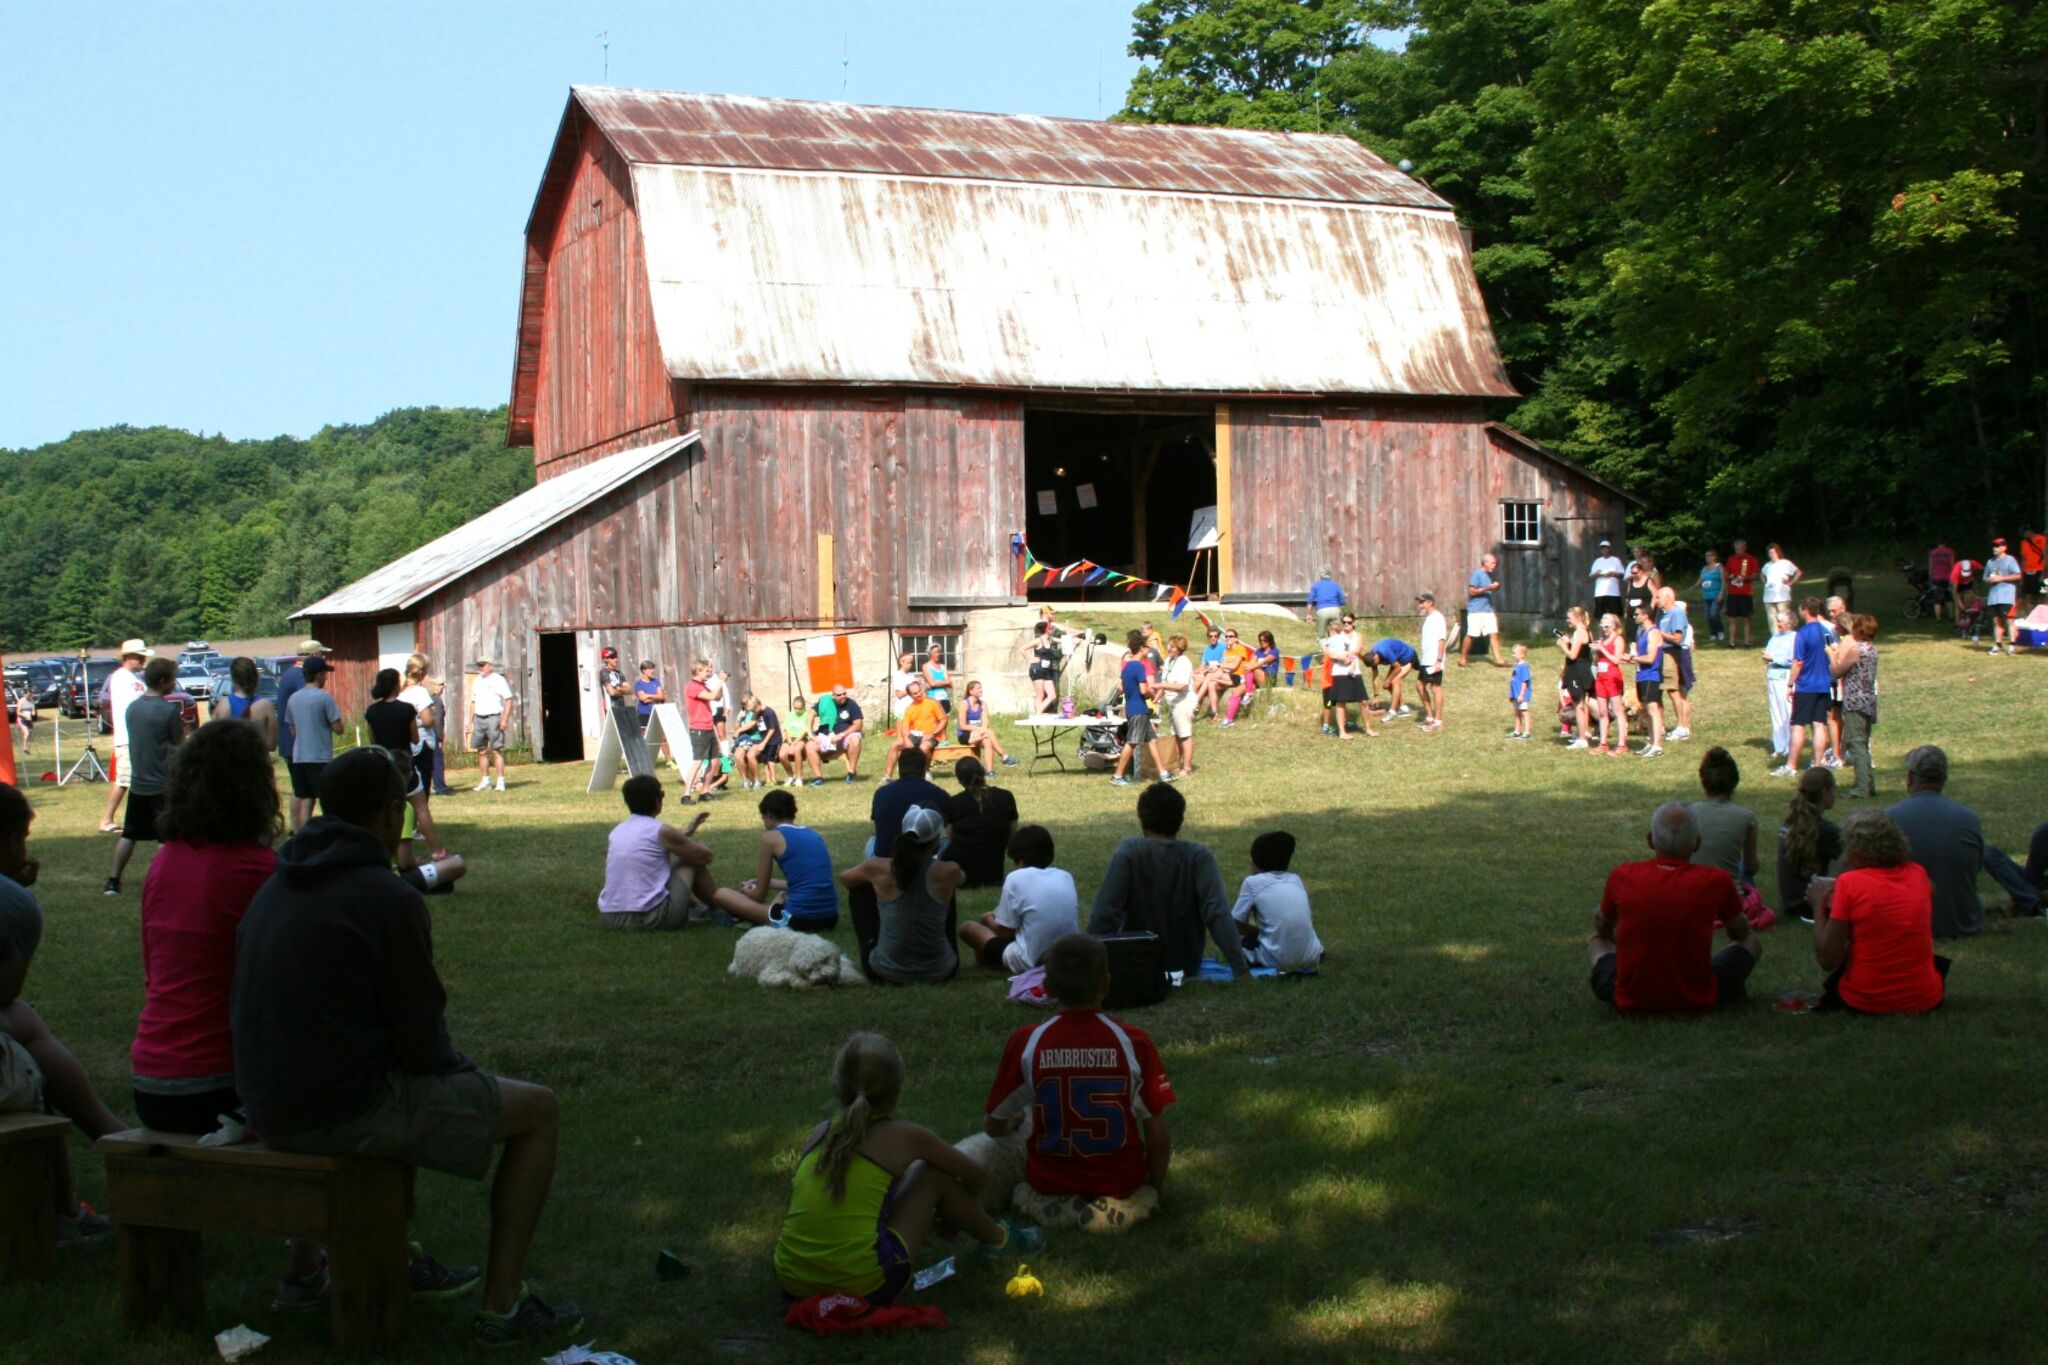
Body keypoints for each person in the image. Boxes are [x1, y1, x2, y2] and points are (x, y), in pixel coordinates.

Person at [231, 749, 581, 1343]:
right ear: (393, 812)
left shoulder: (281, 882)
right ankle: (503, 1306)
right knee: (538, 1110)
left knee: (402, 1087)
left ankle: (390, 1258)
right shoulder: (385, 896)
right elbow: (422, 1042)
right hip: (335, 1110)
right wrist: (463, 1076)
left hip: (266, 1102)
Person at [775, 1033, 1037, 1303]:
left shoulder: (819, 1134)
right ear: (896, 1094)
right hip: (867, 1284)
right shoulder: (905, 1136)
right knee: (932, 1174)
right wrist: (955, 1214)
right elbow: (976, 1175)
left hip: (792, 1280)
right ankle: (1000, 1240)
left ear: (835, 1087)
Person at [986, 933, 1174, 1231]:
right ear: (1106, 984)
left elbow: (994, 1124)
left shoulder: (1027, 1041)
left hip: (1048, 1182)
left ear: (1046, 988)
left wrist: (1014, 1122)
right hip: (1120, 1181)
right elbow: (1158, 1137)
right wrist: (1157, 1183)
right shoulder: (1134, 1043)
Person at [1, 783, 123, 1244]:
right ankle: (69, 1204)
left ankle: (105, 1136)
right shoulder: (13, 904)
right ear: (12, 841)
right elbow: (6, 991)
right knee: (28, 1057)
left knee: (27, 1029)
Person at [1587, 803, 1760, 1014]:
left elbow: (1602, 924)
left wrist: (1614, 939)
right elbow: (1740, 930)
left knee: (1597, 941)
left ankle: (1630, 975)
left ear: (1650, 840)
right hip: (1698, 997)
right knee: (1751, 941)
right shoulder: (1716, 880)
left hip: (1630, 998)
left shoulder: (1623, 875)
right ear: (1696, 843)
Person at [1087, 782, 1250, 978]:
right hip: (1186, 965)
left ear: (1142, 820)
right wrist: (1240, 970)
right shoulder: (1199, 857)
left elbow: (1105, 914)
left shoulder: (1130, 852)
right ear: (1180, 819)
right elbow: (1218, 915)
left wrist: (1088, 967)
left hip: (1138, 964)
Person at [1809, 810, 1948, 1014]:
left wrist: (1817, 904)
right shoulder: (1918, 874)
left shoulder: (1850, 883)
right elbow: (1930, 889)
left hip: (1866, 1000)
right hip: (1926, 999)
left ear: (1853, 851)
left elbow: (1827, 960)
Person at [843, 806, 962, 984]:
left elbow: (845, 878)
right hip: (941, 971)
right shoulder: (947, 871)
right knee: (946, 889)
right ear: (936, 840)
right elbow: (961, 879)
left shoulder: (878, 868)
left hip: (884, 972)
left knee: (860, 889)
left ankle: (871, 942)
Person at [105, 657, 185, 896]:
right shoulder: (169, 710)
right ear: (163, 681)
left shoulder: (133, 708)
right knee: (165, 838)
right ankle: (161, 884)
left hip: (139, 783)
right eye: (172, 678)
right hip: (162, 784)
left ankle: (113, 880)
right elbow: (179, 744)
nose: (174, 682)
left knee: (130, 834)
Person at [706, 788, 841, 929]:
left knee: (721, 894)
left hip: (798, 919)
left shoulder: (770, 838)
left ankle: (758, 918)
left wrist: (747, 890)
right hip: (830, 917)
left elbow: (759, 896)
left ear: (769, 815)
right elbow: (806, 882)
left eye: (763, 818)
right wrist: (767, 883)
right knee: (784, 894)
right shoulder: (813, 834)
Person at [1886, 746, 1984, 938]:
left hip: (1908, 924)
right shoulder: (1970, 819)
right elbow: (1976, 869)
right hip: (1962, 923)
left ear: (1910, 777)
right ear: (1943, 779)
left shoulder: (1889, 819)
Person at [597, 775, 713, 931]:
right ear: (657, 801)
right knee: (691, 858)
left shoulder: (617, 832)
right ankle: (716, 907)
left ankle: (698, 905)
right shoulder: (660, 830)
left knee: (653, 868)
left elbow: (649, 844)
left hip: (610, 919)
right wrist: (701, 846)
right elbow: (703, 857)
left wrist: (686, 832)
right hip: (651, 918)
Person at [959, 825, 1077, 973]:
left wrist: (987, 919)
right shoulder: (1065, 876)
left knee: (968, 928)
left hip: (1030, 961)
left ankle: (987, 965)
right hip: (1066, 957)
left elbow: (1004, 932)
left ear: (1020, 861)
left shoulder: (1016, 878)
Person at [366, 668, 448, 861]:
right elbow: (414, 737)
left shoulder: (371, 711)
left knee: (384, 811)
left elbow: (373, 741)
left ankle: (387, 855)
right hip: (404, 765)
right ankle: (437, 851)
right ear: (396, 685)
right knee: (420, 808)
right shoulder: (406, 709)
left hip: (383, 766)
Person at [1230, 831, 1323, 972]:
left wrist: (1256, 932)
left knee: (1240, 944)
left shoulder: (1252, 883)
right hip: (1312, 956)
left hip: (1275, 960)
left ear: (1255, 862)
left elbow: (1235, 923)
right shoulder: (1295, 879)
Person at [98, 639, 152, 834]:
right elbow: (134, 707)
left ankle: (141, 817)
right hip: (128, 738)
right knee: (124, 780)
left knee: (138, 780)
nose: (143, 659)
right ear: (129, 657)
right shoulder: (120, 678)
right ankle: (107, 819)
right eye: (139, 656)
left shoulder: (137, 678)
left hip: (140, 738)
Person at [284, 655, 343, 832]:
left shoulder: (293, 698)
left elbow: (292, 730)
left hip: (300, 755)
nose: (326, 677)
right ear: (318, 675)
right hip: (320, 757)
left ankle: (303, 833)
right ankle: (330, 831)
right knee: (326, 798)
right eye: (325, 674)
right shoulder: (325, 698)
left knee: (306, 798)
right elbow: (338, 728)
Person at [1778, 767, 1845, 924]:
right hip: (1812, 905)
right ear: (1825, 793)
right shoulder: (1824, 829)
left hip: (1790, 902)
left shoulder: (1790, 823)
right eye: (1833, 789)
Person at [944, 756, 1018, 889]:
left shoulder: (953, 803)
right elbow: (1013, 835)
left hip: (964, 874)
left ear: (959, 780)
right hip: (994, 870)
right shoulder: (1005, 796)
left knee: (941, 843)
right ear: (982, 771)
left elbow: (951, 836)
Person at [1776, 598, 1831, 778]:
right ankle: (1817, 763)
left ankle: (1791, 766)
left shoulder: (1803, 633)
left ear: (1806, 610)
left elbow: (1798, 662)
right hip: (1823, 684)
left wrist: (1791, 683)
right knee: (1819, 724)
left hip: (1806, 685)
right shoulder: (1825, 631)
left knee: (1797, 725)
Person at [1687, 747, 1759, 885]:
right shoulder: (1746, 818)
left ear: (1703, 780)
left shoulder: (1688, 813)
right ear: (1734, 780)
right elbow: (1752, 866)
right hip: (1728, 890)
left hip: (1692, 886)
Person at [1110, 630, 1172, 787]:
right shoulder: (1138, 667)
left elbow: (1124, 688)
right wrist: (1152, 694)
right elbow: (1144, 690)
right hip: (1138, 709)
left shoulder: (1127, 667)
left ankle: (1163, 773)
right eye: (1147, 647)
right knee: (1132, 742)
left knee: (1152, 740)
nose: (1149, 650)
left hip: (1134, 708)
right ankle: (1117, 776)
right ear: (1142, 648)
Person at [870, 747, 949, 859]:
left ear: (899, 768)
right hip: (925, 857)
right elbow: (951, 831)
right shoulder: (939, 794)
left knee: (872, 841)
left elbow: (879, 827)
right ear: (924, 768)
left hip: (886, 857)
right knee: (947, 842)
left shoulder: (881, 793)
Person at [1837, 614, 1880, 798]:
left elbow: (1836, 672)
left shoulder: (1856, 650)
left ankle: (1861, 788)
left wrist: (1831, 656)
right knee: (1862, 743)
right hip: (1869, 700)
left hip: (1855, 701)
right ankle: (1868, 784)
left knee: (1856, 745)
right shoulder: (1872, 650)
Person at [466, 656, 516, 793]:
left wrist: (504, 719)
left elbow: (509, 700)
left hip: (493, 717)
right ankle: (485, 781)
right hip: (479, 718)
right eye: (478, 665)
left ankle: (500, 781)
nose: (480, 668)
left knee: (496, 750)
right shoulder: (476, 681)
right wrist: (469, 721)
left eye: (482, 665)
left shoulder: (498, 680)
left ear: (490, 665)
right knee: (481, 751)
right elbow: (473, 702)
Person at [273, 638, 325, 769]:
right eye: (322, 655)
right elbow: (307, 705)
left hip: (289, 741)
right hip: (299, 744)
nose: (324, 658)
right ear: (314, 655)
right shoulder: (301, 676)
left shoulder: (289, 673)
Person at [211, 656, 278, 750]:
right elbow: (272, 745)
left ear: (233, 679)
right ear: (256, 677)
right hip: (257, 761)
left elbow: (214, 742)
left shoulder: (223, 705)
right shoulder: (266, 706)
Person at [1328, 617, 1380, 738]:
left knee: (1363, 701)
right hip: (1339, 671)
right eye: (1344, 622)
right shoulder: (1336, 637)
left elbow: (1357, 650)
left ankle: (1368, 728)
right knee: (1341, 702)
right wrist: (1340, 657)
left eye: (1349, 622)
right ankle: (1342, 732)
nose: (1346, 624)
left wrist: (1346, 656)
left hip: (1354, 671)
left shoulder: (1357, 636)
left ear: (1353, 623)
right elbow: (1328, 651)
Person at [1655, 586, 1695, 741]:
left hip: (1673, 653)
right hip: (1665, 653)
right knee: (1675, 690)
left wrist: (1658, 633)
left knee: (1673, 690)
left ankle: (1682, 726)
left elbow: (1677, 637)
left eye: (1658, 597)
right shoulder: (1664, 615)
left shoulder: (1676, 613)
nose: (1656, 600)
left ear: (1667, 597)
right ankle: (1683, 726)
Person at [884, 677, 945, 779]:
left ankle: (926, 771)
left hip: (933, 733)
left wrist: (933, 733)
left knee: (923, 748)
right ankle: (888, 777)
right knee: (894, 745)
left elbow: (943, 720)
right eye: (915, 693)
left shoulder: (932, 702)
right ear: (910, 695)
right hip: (916, 735)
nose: (919, 694)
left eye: (919, 691)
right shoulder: (909, 709)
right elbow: (905, 727)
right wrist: (906, 739)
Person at [678, 659, 721, 800]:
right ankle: (686, 794)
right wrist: (720, 681)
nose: (708, 673)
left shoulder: (704, 685)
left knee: (715, 761)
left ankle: (705, 791)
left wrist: (720, 684)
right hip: (699, 729)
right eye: (705, 670)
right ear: (697, 671)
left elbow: (717, 697)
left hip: (709, 727)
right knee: (698, 761)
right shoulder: (693, 687)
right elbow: (711, 696)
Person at [1157, 634, 1198, 777]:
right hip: (1173, 703)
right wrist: (1157, 697)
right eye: (1169, 645)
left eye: (1173, 646)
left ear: (1179, 648)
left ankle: (1187, 768)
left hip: (1183, 702)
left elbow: (1181, 685)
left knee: (1185, 735)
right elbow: (1165, 682)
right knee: (1176, 735)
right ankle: (1175, 764)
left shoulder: (1184, 662)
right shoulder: (1168, 661)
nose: (1169, 648)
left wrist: (1161, 685)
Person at [1628, 604, 1666, 758]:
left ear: (1646, 615)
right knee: (1646, 710)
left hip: (1651, 675)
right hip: (1642, 675)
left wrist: (1631, 658)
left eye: (1637, 614)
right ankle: (1651, 742)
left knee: (1652, 709)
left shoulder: (1653, 633)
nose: (1634, 616)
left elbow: (1650, 658)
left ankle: (1657, 745)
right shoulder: (1642, 632)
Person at [954, 680, 1016, 771]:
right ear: (971, 691)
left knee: (987, 741)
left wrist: (982, 729)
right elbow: (963, 726)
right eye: (978, 688)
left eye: (981, 688)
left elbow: (985, 723)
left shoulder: (983, 704)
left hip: (980, 733)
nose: (981, 690)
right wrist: (979, 729)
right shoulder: (965, 704)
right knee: (989, 732)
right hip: (965, 735)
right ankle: (1004, 756)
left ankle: (990, 771)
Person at [1591, 613, 1629, 754]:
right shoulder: (1601, 640)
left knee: (1618, 711)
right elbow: (1597, 661)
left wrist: (1603, 649)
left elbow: (1616, 660)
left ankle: (1621, 744)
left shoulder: (1618, 640)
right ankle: (1603, 743)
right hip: (1601, 678)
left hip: (1613, 678)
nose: (1604, 629)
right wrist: (1595, 651)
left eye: (1607, 626)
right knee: (1602, 712)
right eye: (1602, 626)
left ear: (1614, 626)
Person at [1558, 606, 1595, 748]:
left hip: (1577, 671)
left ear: (1578, 618)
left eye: (1569, 618)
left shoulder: (1580, 633)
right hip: (1584, 669)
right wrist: (1568, 642)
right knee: (1582, 704)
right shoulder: (1587, 631)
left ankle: (1582, 738)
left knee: (1578, 705)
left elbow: (1573, 655)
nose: (1567, 620)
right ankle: (1583, 733)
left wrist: (1562, 645)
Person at [1762, 608, 1796, 759]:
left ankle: (1790, 745)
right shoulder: (1775, 637)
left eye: (1781, 621)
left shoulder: (1795, 638)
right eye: (1777, 621)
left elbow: (1792, 660)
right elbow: (1768, 652)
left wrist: (1774, 659)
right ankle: (1779, 746)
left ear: (1789, 623)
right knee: (1775, 712)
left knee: (1787, 712)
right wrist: (1766, 657)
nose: (1778, 623)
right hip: (1772, 677)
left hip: (1785, 678)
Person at [814, 684, 865, 784]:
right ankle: (818, 778)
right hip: (826, 735)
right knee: (810, 746)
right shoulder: (826, 702)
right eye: (839, 695)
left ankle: (851, 773)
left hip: (846, 735)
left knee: (855, 739)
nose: (843, 696)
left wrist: (842, 735)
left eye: (844, 693)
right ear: (833, 695)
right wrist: (810, 733)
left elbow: (858, 725)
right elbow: (811, 713)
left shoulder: (851, 704)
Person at [1460, 553, 1505, 667]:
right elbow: (1472, 591)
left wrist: (1495, 587)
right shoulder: (1477, 574)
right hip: (1476, 610)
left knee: (1494, 633)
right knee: (1472, 635)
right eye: (1492, 563)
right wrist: (1488, 588)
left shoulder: (1489, 575)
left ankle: (1498, 659)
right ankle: (1462, 659)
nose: (1494, 565)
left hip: (1488, 610)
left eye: (1495, 563)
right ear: (1485, 563)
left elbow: (1487, 589)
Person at [1413, 592, 1448, 732]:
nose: (1419, 605)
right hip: (1426, 659)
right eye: (1419, 602)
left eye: (1422, 602)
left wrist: (1439, 660)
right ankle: (1429, 717)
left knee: (1435, 688)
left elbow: (1442, 640)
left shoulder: (1438, 618)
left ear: (1430, 602)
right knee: (1420, 685)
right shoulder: (1429, 618)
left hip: (1434, 660)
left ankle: (1438, 721)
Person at [1983, 535, 2022, 654]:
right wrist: (1990, 580)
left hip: (2007, 595)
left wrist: (2001, 578)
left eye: (1998, 546)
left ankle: (2012, 645)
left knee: (2009, 620)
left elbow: (2018, 575)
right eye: (1994, 546)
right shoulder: (1990, 562)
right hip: (1994, 596)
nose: (1995, 548)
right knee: (1996, 621)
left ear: (2004, 547)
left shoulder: (2010, 559)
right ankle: (1997, 644)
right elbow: (1985, 577)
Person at [737, 694, 782, 790]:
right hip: (765, 740)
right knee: (765, 760)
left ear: (757, 704)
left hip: (773, 740)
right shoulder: (758, 712)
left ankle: (774, 779)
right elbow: (754, 722)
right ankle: (768, 780)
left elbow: (772, 729)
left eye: (753, 710)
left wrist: (763, 743)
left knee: (770, 760)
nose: (753, 712)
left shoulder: (769, 712)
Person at [1722, 540, 1759, 646]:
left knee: (1746, 618)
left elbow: (1755, 575)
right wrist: (1730, 576)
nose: (1738, 551)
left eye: (1740, 549)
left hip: (1746, 592)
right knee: (1732, 618)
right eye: (1736, 549)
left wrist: (1744, 578)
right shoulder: (1731, 559)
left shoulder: (1751, 559)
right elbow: (1726, 573)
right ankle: (1731, 642)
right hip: (1733, 592)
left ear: (1744, 548)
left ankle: (1747, 641)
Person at [780, 698, 821, 787]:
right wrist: (790, 742)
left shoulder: (807, 716)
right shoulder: (789, 715)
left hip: (802, 738)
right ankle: (790, 776)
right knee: (782, 755)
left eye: (800, 708)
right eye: (795, 708)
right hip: (790, 738)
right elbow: (786, 728)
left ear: (803, 707)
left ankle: (799, 777)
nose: (797, 710)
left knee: (797, 750)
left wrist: (794, 744)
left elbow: (805, 731)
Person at [1759, 542, 1801, 626]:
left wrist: (1790, 583)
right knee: (1772, 619)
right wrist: (1765, 583)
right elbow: (1761, 574)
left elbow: (1798, 573)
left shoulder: (1785, 563)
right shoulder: (1767, 565)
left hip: (1782, 596)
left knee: (1784, 618)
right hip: (1768, 597)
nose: (1771, 555)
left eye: (1773, 552)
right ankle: (1775, 636)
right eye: (1769, 553)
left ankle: (1786, 636)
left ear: (1777, 552)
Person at [1025, 622, 1061, 715]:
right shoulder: (1038, 641)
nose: (1052, 629)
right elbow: (1022, 649)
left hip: (1046, 670)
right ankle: (1038, 717)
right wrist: (1030, 659)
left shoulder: (1050, 640)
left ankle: (1038, 714)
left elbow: (1061, 640)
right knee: (1040, 695)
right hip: (1037, 669)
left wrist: (1077, 639)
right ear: (1045, 629)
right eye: (1050, 627)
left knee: (1052, 695)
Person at [1589, 539, 1626, 627]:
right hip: (1600, 592)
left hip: (1613, 592)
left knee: (1615, 614)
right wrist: (1597, 574)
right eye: (1602, 548)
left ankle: (1618, 630)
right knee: (1600, 615)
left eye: (1606, 548)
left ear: (1609, 549)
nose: (1604, 550)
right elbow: (1591, 576)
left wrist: (1612, 573)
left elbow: (1622, 574)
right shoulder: (1597, 561)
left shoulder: (1616, 560)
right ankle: (1601, 632)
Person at [1307, 567, 1347, 636]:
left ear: (1321, 575)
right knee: (1336, 634)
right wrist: (1342, 614)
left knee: (1321, 635)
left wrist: (1309, 614)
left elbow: (1310, 601)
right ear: (1330, 574)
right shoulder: (1336, 585)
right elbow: (1342, 602)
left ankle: (1324, 644)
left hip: (1322, 611)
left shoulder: (1316, 585)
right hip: (1335, 610)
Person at [632, 660, 666, 738]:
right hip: (644, 713)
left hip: (657, 712)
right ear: (644, 670)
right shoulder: (639, 684)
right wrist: (656, 697)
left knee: (662, 736)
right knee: (645, 736)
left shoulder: (656, 682)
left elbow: (662, 697)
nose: (652, 671)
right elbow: (643, 699)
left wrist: (648, 695)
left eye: (653, 668)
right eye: (650, 669)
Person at [1506, 643, 1532, 739]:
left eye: (1514, 653)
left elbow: (1525, 681)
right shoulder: (1516, 666)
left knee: (1524, 712)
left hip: (1522, 695)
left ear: (1522, 655)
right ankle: (1517, 731)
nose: (1513, 655)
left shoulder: (1524, 666)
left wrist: (1521, 694)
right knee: (1517, 713)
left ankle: (1527, 732)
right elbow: (1513, 681)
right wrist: (1511, 694)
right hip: (1515, 694)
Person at [1698, 548, 1725, 644]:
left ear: (1714, 556)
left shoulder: (1719, 567)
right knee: (1708, 616)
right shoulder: (1704, 569)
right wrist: (1691, 588)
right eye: (1706, 556)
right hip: (1706, 596)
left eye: (1710, 555)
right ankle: (1712, 633)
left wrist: (1721, 593)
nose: (1708, 558)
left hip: (1716, 595)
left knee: (1714, 614)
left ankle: (1720, 631)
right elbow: (1700, 581)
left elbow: (1723, 581)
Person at [2019, 525, 2047, 609]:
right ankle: (2029, 612)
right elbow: (2023, 559)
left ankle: (2043, 612)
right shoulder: (2023, 543)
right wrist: (2022, 574)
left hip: (2040, 569)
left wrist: (2044, 572)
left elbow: (2046, 555)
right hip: (2027, 571)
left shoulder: (2042, 539)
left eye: (2024, 533)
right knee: (2028, 593)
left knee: (2041, 593)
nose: (2023, 535)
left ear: (2029, 531)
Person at [1927, 539, 1956, 621]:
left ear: (1937, 543)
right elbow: (1952, 565)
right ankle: (1951, 615)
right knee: (1949, 597)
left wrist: (1930, 575)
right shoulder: (1950, 552)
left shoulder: (1933, 553)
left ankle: (1938, 618)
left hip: (1936, 577)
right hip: (1947, 577)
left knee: (1937, 598)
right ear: (1945, 543)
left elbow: (1931, 566)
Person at [920, 644, 952, 715]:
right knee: (933, 723)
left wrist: (936, 683)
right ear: (930, 654)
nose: (937, 654)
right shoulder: (926, 666)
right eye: (935, 652)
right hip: (932, 698)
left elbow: (949, 683)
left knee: (945, 721)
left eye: (938, 652)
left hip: (944, 698)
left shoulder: (943, 667)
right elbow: (932, 683)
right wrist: (944, 682)